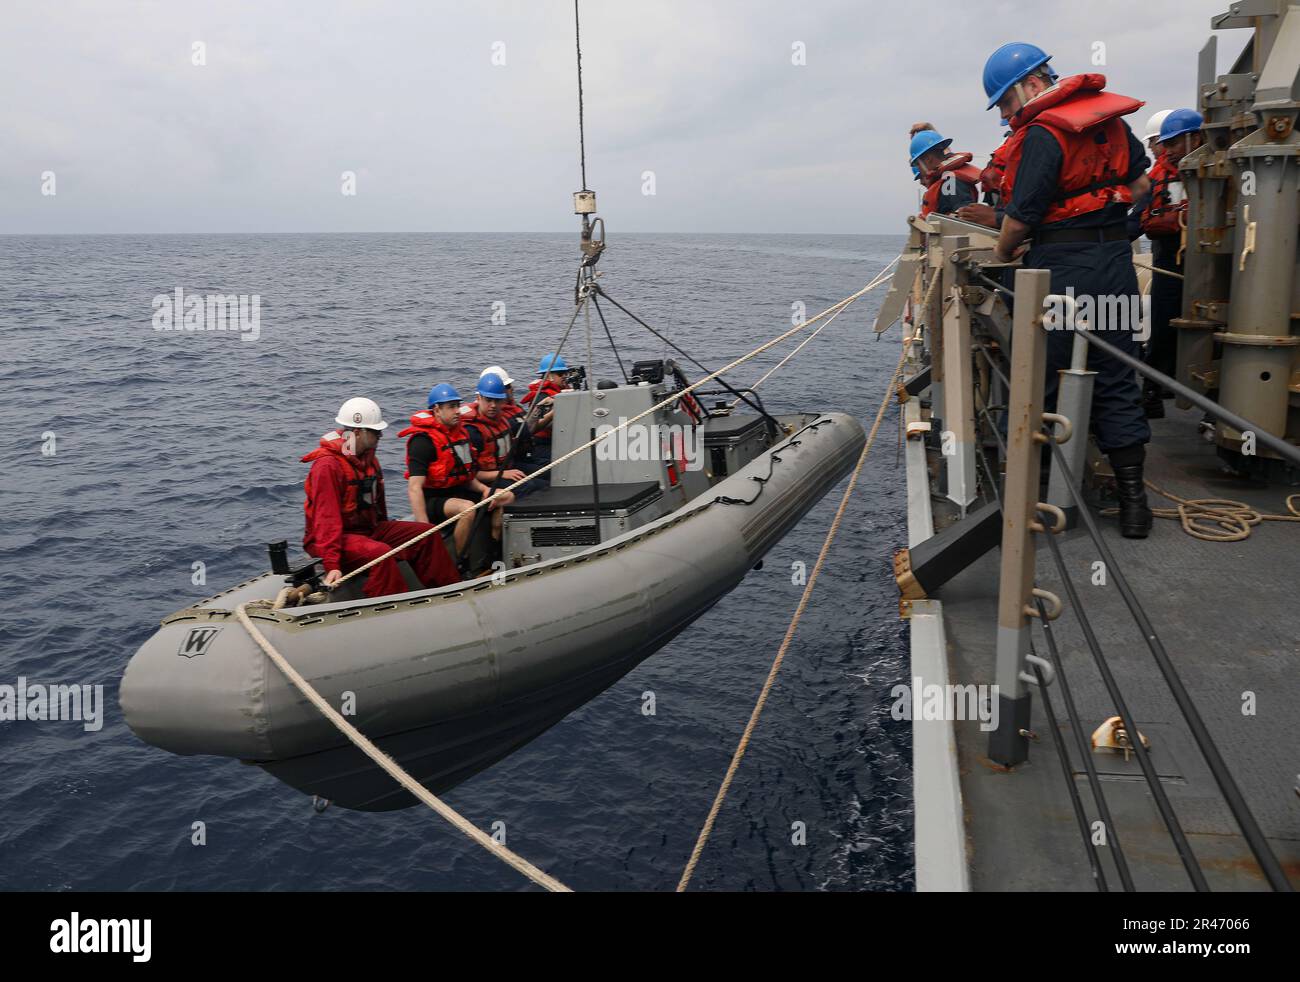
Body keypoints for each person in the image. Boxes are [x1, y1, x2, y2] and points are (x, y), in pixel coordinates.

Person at [982, 41, 1155, 538]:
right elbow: (1140, 188)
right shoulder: (1114, 123)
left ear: (1031, 86)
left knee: (1049, 378)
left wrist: (1001, 255)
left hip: (1063, 273)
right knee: (1118, 379)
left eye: (1007, 104)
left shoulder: (1042, 134)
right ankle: (1134, 508)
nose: (1008, 117)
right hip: (1116, 265)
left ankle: (1047, 499)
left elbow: (1021, 217)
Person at [301, 397, 459, 597]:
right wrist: (331, 563)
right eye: (375, 431)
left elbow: (378, 505)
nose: (381, 435)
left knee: (426, 535)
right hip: (337, 539)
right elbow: (326, 521)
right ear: (358, 433)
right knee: (380, 554)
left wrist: (387, 531)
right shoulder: (327, 467)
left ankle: (449, 592)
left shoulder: (369, 459)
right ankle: (395, 608)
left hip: (368, 530)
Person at [1135, 109, 1203, 418]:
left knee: (1207, 329)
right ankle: (1152, 391)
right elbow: (1141, 222)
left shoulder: (1217, 169)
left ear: (1196, 138)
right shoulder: (1158, 178)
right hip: (1171, 262)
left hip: (1209, 267)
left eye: (1174, 143)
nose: (1167, 150)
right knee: (1162, 326)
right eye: (1165, 144)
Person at [400, 383, 509, 563]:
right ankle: (461, 561)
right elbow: (414, 488)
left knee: (503, 497)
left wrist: (483, 490)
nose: (458, 411)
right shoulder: (422, 441)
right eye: (451, 407)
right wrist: (424, 526)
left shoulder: (459, 435)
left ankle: (494, 548)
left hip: (456, 492)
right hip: (433, 500)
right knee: (466, 509)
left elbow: (465, 476)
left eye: (458, 406)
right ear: (437, 410)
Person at [463, 372, 528, 499]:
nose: (493, 405)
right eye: (488, 400)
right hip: (484, 481)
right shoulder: (472, 431)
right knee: (528, 488)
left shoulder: (502, 421)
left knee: (541, 481)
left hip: (504, 470)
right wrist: (503, 473)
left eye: (497, 401)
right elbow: (470, 476)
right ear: (479, 398)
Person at [519, 353, 571, 485]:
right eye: (560, 374)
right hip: (543, 445)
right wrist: (555, 412)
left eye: (565, 373)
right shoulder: (542, 397)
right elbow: (534, 427)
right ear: (549, 376)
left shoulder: (562, 392)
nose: (564, 376)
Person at [910, 129, 982, 218]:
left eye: (917, 164)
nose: (919, 169)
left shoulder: (950, 182)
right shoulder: (945, 180)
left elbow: (965, 219)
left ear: (928, 159)